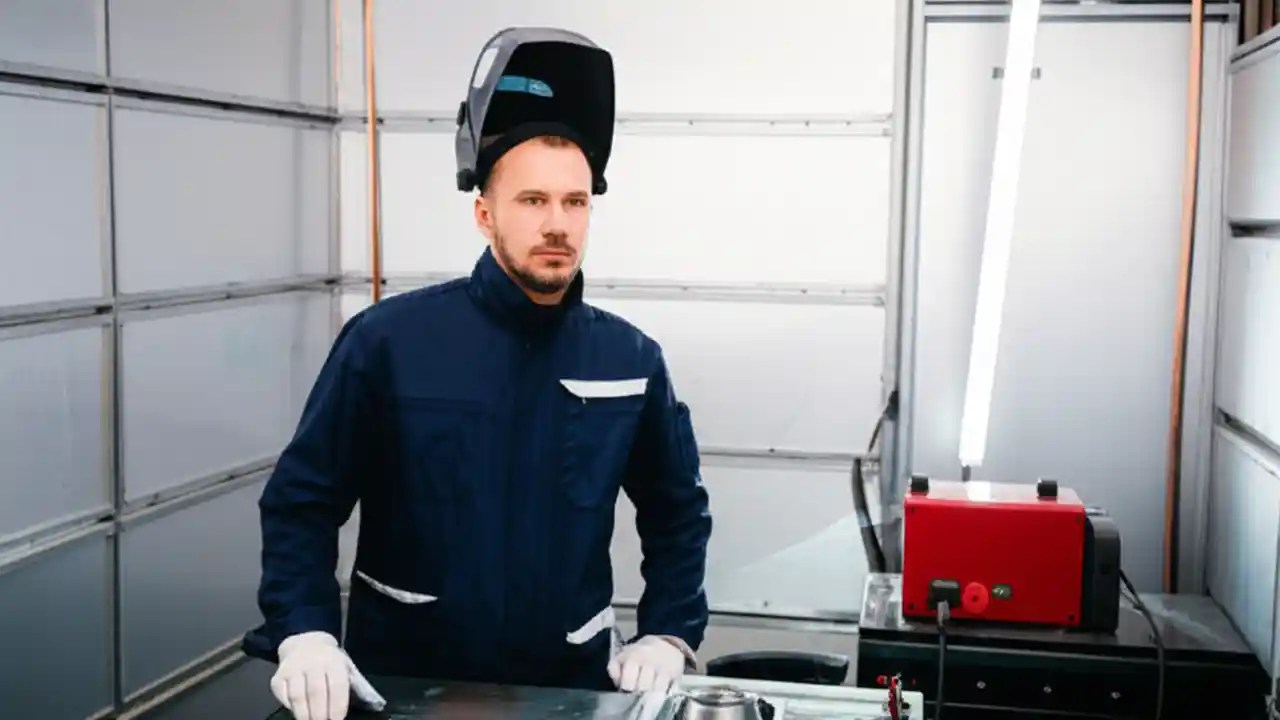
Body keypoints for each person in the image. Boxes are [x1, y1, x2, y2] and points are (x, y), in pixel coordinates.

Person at [241, 28, 712, 720]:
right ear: (484, 214)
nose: (558, 224)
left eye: (574, 202)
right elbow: (301, 504)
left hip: (566, 693)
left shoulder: (630, 362)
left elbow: (677, 515)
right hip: (406, 691)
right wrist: (305, 630)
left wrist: (669, 630)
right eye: (532, 201)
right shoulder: (388, 344)